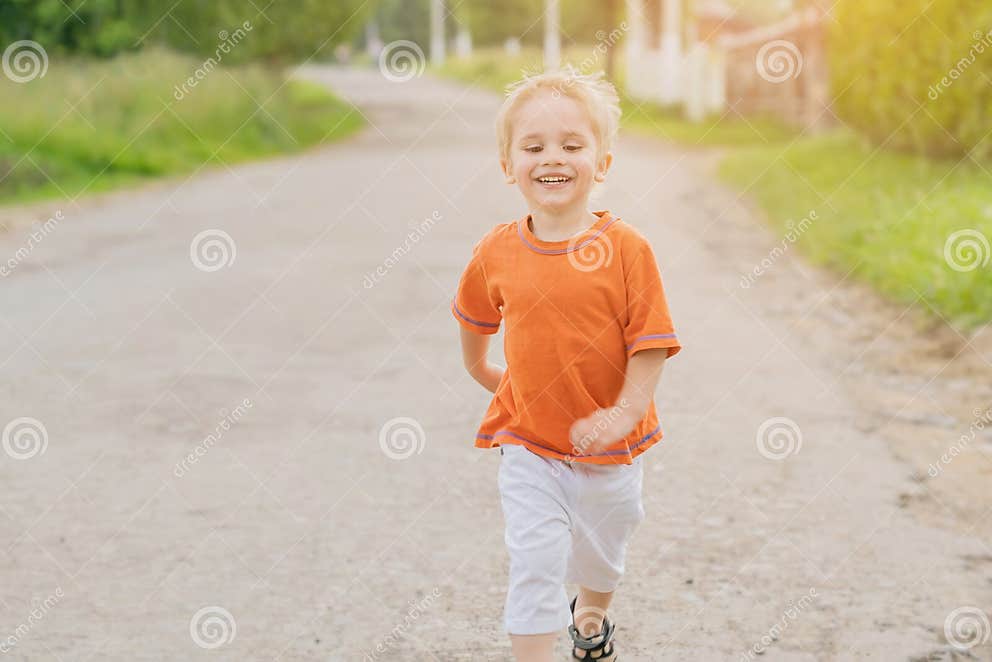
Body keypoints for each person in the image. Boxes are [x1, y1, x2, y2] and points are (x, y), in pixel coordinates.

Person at [451, 65, 682, 662]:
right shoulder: (496, 250)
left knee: (605, 543)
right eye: (533, 146)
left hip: (611, 444)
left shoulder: (628, 250)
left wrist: (626, 410)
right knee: (535, 559)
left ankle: (594, 611)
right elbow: (475, 318)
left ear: (601, 163)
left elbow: (650, 341)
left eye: (572, 145)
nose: (552, 157)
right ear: (509, 165)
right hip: (528, 441)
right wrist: (485, 374)